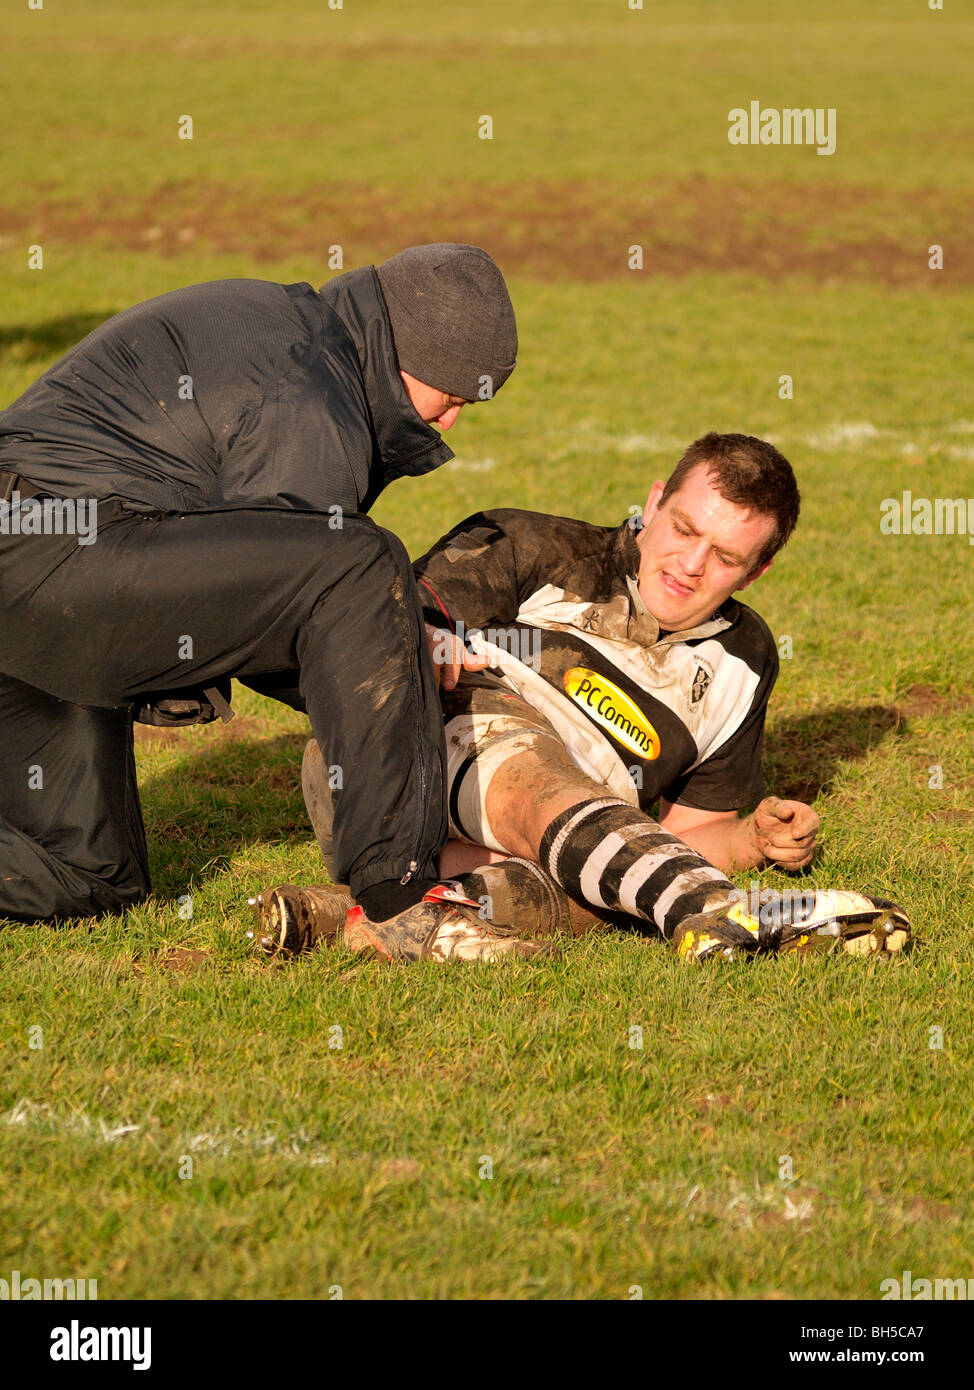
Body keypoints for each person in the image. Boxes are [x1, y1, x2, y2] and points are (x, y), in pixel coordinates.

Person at [0, 243, 550, 959]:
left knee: (88, 878)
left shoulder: (308, 337)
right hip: (55, 553)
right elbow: (310, 616)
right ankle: (401, 899)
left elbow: (278, 597)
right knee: (364, 559)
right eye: (451, 393)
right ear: (403, 351)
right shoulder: (309, 396)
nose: (450, 421)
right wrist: (424, 677)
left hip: (42, 579)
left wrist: (405, 652)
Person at [263, 432, 909, 962]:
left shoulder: (746, 660)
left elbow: (681, 833)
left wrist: (753, 841)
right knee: (529, 776)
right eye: (683, 529)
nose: (690, 565)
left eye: (724, 557)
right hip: (409, 766)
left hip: (538, 841)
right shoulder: (538, 547)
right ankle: (709, 904)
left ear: (757, 571)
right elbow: (387, 622)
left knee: (599, 896)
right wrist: (427, 637)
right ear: (655, 503)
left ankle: (352, 920)